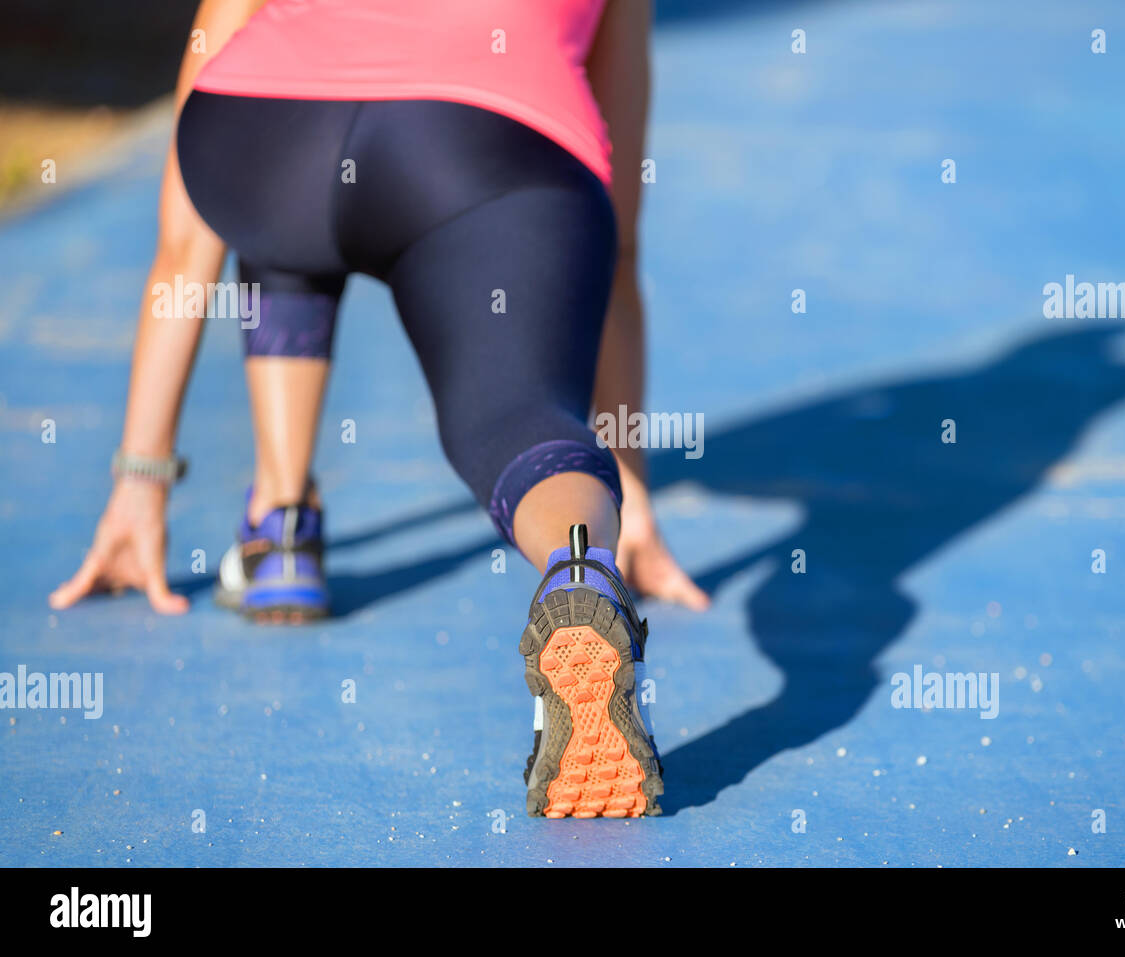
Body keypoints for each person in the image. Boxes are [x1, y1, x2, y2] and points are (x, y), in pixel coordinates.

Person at [48, 0, 705, 819]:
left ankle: (282, 523)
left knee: (280, 213)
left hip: (262, 129)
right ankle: (580, 569)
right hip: (484, 149)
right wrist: (628, 486)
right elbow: (621, 246)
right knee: (512, 415)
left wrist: (139, 482)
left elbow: (185, 248)